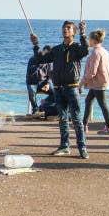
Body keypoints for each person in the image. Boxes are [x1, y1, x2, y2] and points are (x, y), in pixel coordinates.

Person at [30, 21, 89, 159]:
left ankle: (82, 147)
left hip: (72, 88)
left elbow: (86, 51)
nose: (65, 30)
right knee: (62, 119)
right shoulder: (56, 50)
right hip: (58, 88)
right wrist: (36, 44)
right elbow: (40, 59)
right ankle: (64, 146)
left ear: (73, 32)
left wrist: (83, 34)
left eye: (68, 28)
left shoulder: (77, 48)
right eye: (64, 28)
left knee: (77, 119)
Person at [81, 29, 109, 135]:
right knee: (88, 100)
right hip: (101, 81)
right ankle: (84, 125)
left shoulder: (96, 53)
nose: (88, 41)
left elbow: (92, 72)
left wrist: (82, 82)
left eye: (89, 39)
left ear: (93, 40)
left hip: (98, 82)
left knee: (102, 103)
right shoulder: (104, 51)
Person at [26, 45, 52, 115]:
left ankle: (43, 105)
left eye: (47, 54)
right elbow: (30, 73)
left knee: (55, 93)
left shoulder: (49, 62)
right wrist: (39, 62)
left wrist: (48, 84)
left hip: (43, 83)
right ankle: (35, 109)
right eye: (45, 53)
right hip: (32, 82)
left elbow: (50, 75)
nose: (45, 55)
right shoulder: (32, 59)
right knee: (31, 91)